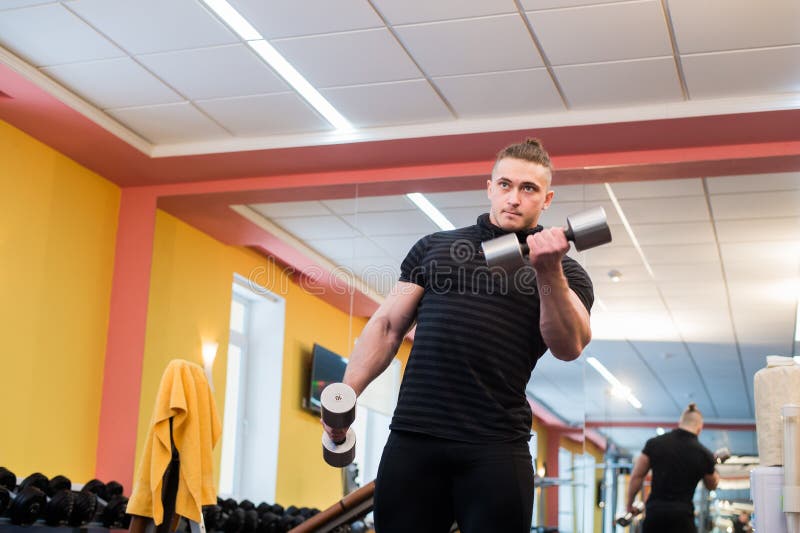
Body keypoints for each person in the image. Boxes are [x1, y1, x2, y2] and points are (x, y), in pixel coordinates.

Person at [322, 139, 594, 532]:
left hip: (496, 447)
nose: (514, 198)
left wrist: (547, 270)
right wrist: (343, 400)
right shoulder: (436, 248)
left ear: (547, 199)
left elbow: (568, 346)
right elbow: (386, 327)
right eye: (505, 185)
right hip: (415, 438)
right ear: (489, 187)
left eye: (528, 188)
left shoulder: (566, 274)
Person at [624, 403, 720, 533]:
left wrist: (629, 503)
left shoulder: (655, 443)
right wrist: (713, 469)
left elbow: (637, 475)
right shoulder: (704, 454)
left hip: (655, 515)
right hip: (682, 518)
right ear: (699, 428)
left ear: (680, 422)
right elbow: (711, 485)